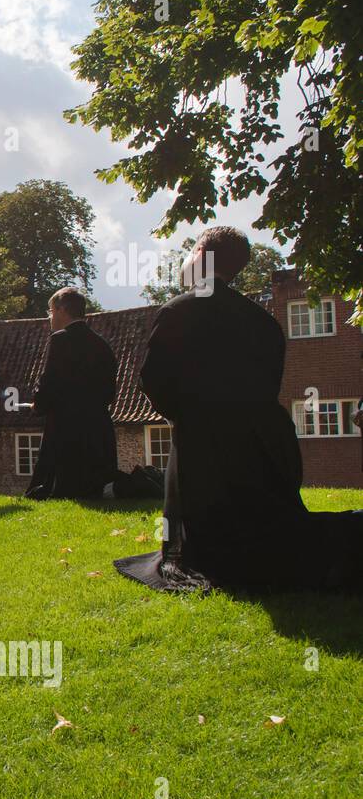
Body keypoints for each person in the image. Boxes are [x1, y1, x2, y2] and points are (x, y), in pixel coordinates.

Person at [115, 226, 363, 591]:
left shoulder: (178, 311)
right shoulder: (265, 322)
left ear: (200, 255)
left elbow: (154, 381)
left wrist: (184, 417)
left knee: (212, 546)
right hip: (266, 443)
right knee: (270, 528)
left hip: (206, 448)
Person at [23, 287, 119, 500]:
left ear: (61, 309)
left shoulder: (61, 340)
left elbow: (50, 381)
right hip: (98, 428)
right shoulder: (102, 345)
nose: (49, 317)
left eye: (50, 311)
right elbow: (110, 392)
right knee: (92, 486)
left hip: (67, 429)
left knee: (59, 487)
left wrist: (38, 405)